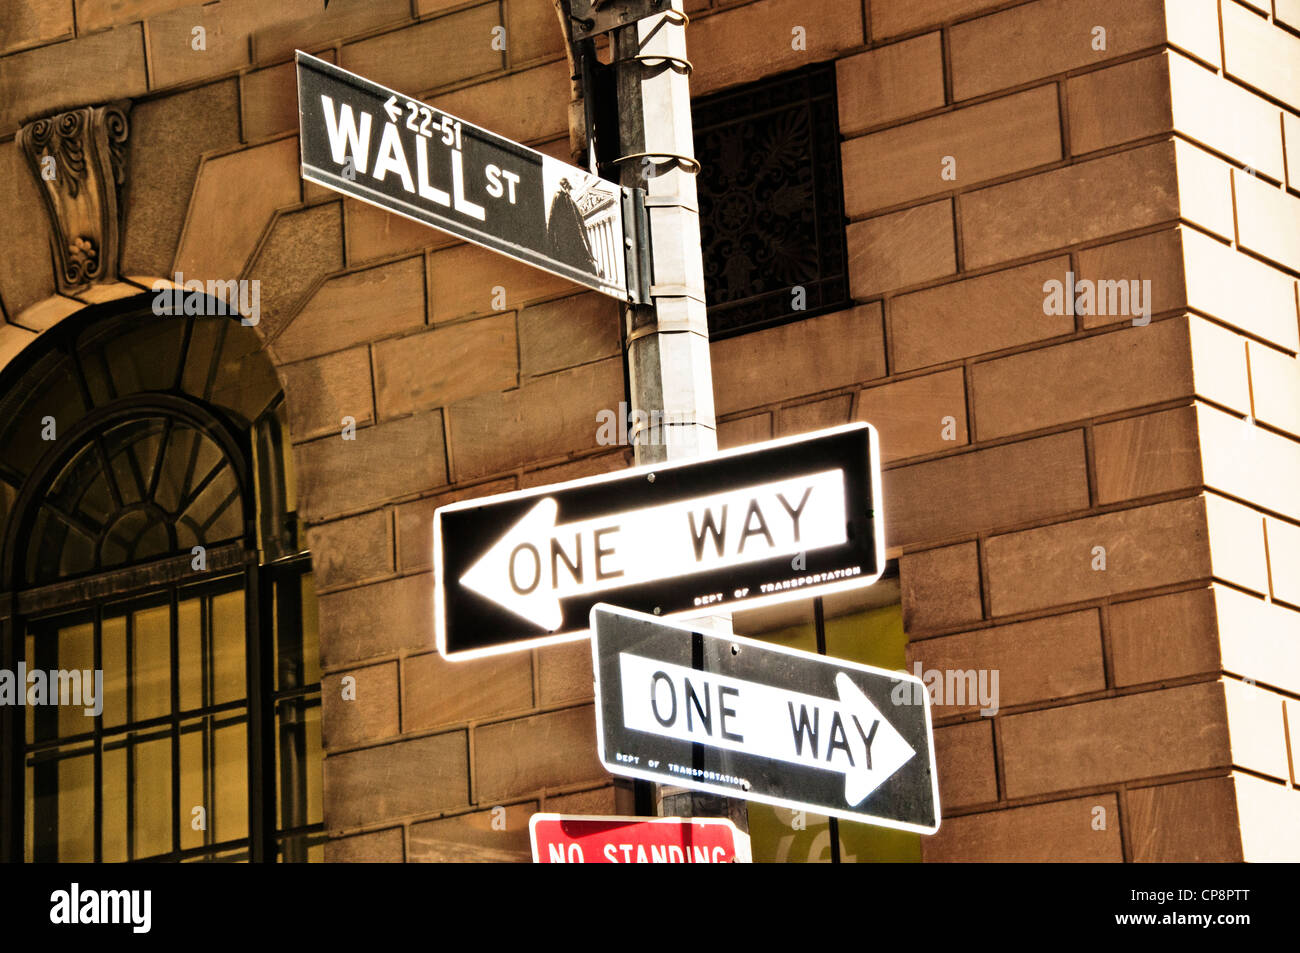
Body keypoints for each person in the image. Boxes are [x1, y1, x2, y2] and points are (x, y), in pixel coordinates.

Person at [546, 177, 599, 276]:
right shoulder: (559, 196)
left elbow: (580, 223)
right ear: (565, 187)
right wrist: (552, 245)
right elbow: (552, 220)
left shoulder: (570, 200)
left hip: (574, 241)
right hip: (566, 243)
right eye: (569, 188)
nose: (570, 191)